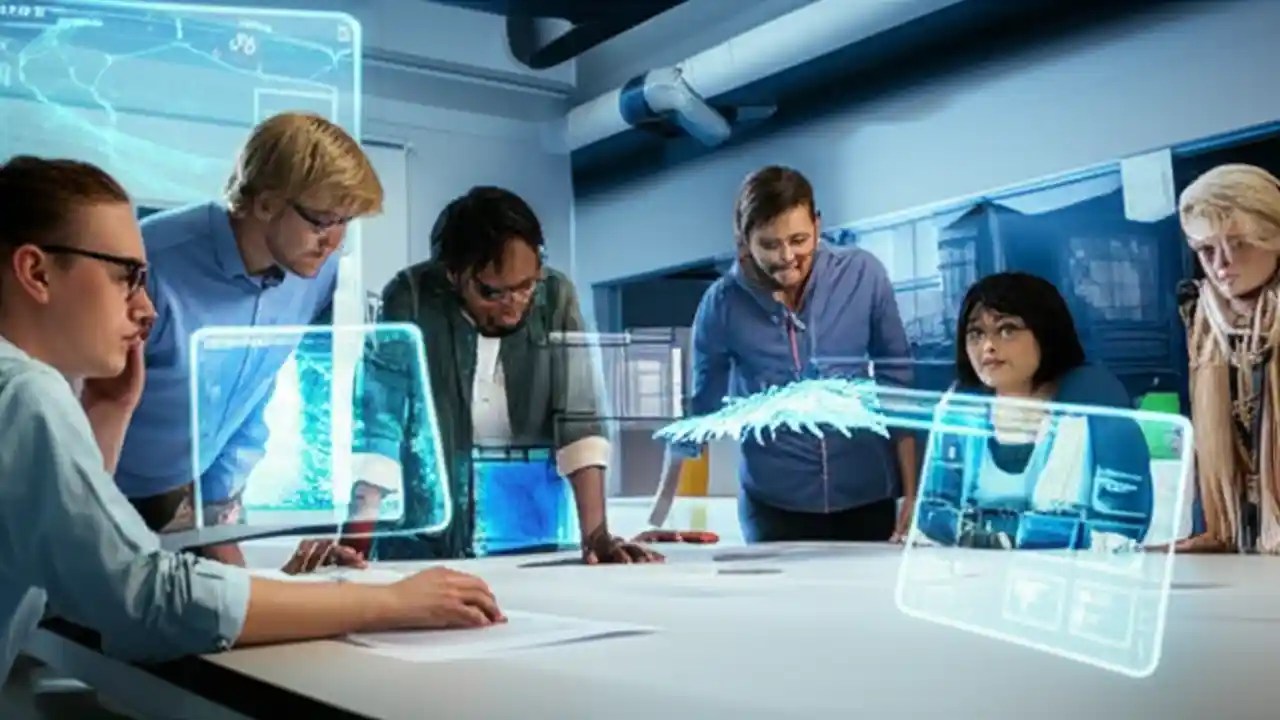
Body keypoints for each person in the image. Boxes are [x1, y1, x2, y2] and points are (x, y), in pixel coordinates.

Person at [0, 155, 505, 686]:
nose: (146, 309)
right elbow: (146, 599)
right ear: (36, 272)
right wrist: (391, 602)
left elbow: (71, 573)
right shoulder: (26, 393)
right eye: (126, 277)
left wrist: (109, 411)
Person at [113, 112, 382, 570]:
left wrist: (218, 522)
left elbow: (256, 387)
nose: (334, 242)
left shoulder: (315, 274)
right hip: (107, 496)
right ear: (265, 203)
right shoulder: (150, 260)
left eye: (346, 222)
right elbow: (76, 404)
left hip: (201, 501)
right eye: (322, 222)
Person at [343, 186, 660, 563]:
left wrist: (596, 537)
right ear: (453, 274)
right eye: (492, 293)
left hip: (531, 533)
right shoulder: (411, 297)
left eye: (526, 287)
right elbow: (381, 424)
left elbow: (580, 418)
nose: (513, 307)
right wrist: (354, 546)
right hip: (425, 541)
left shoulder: (555, 296)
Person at [648, 165, 919, 543]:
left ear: (817, 226)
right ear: (744, 241)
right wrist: (660, 514)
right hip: (773, 507)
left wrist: (913, 495)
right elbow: (700, 412)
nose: (787, 256)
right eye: (770, 245)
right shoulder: (722, 304)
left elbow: (898, 387)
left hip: (867, 496)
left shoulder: (863, 274)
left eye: (799, 239)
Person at [913, 272, 1153, 549]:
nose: (988, 347)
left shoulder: (1099, 409)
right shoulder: (961, 411)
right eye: (976, 334)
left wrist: (1006, 537)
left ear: (1046, 333)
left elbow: (1121, 530)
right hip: (975, 572)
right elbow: (934, 515)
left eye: (1007, 330)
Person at [1172, 163, 1280, 554]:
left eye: (1240, 244)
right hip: (1245, 545)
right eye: (1207, 249)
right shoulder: (1203, 320)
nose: (1221, 264)